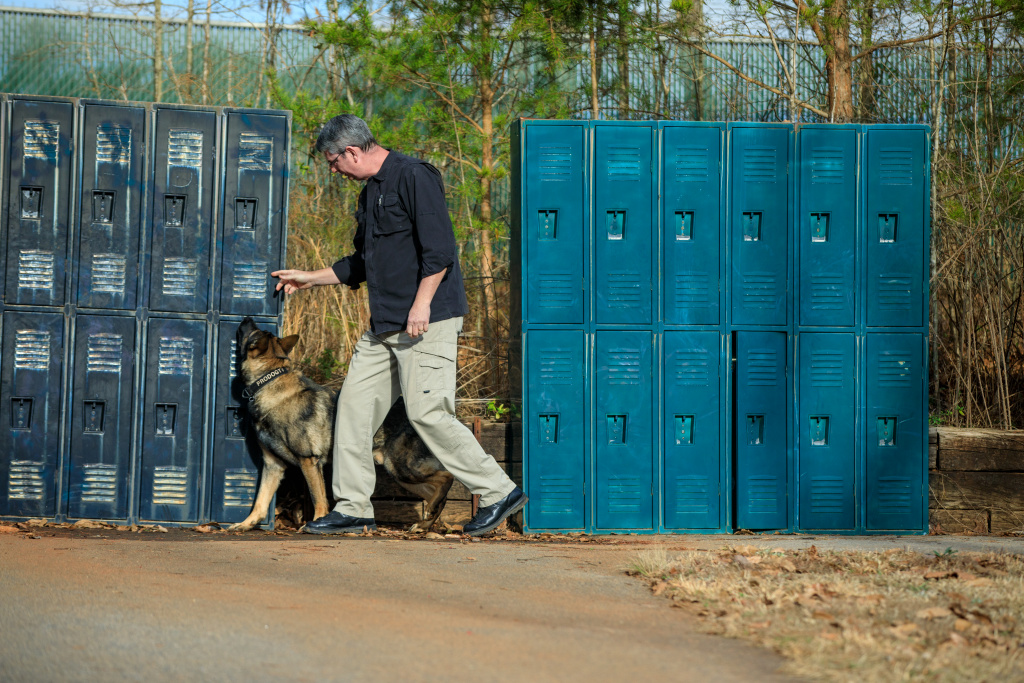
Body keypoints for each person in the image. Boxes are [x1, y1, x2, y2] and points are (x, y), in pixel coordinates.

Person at [271, 114, 526, 537]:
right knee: (352, 412)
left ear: (351, 151)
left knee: (428, 413)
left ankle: (498, 491)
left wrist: (421, 305)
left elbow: (440, 251)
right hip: (385, 325)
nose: (333, 171)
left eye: (333, 162)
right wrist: (309, 278)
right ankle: (353, 508)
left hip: (425, 321)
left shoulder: (414, 176)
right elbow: (362, 263)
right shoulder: (370, 192)